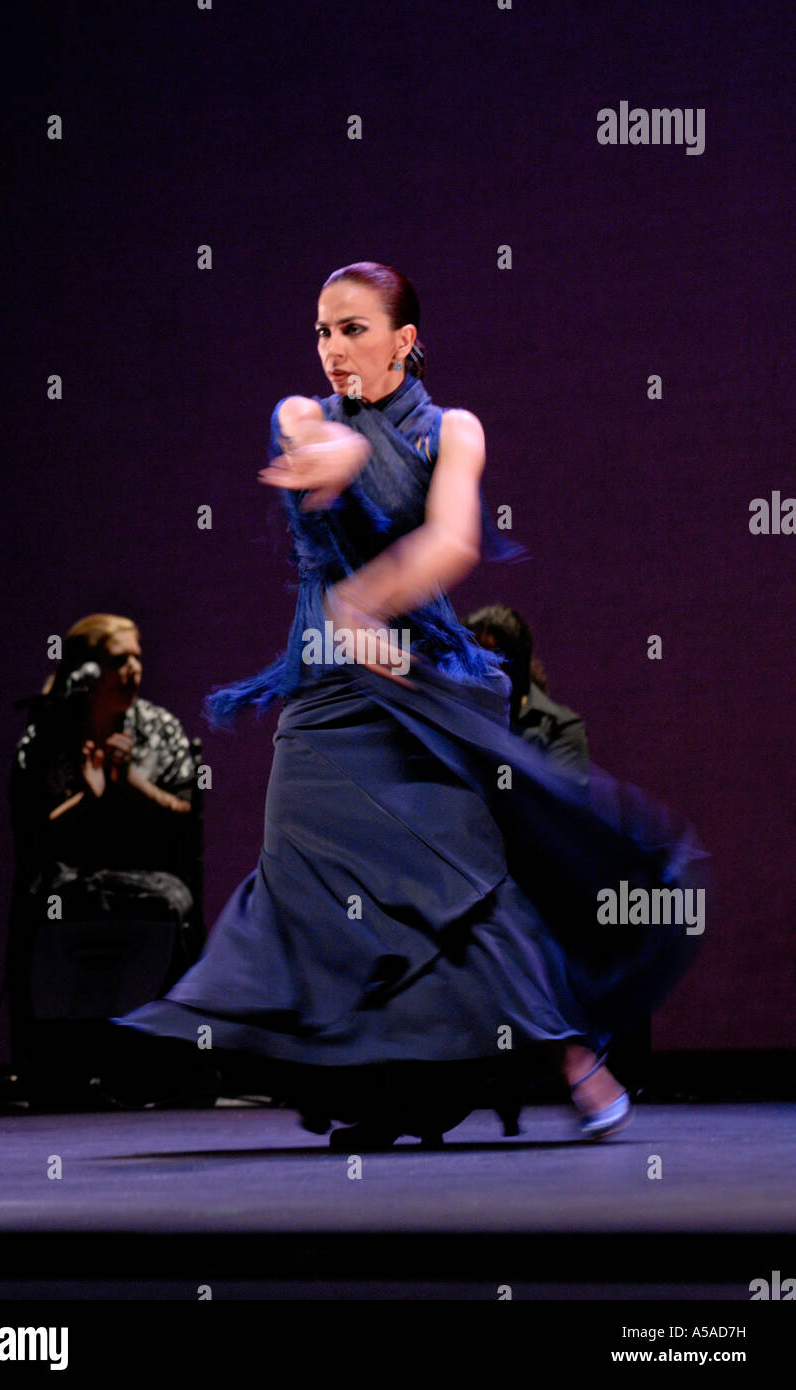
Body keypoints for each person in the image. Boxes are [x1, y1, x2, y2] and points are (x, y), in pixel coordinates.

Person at [109, 262, 709, 1148]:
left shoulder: (451, 431)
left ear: (404, 340)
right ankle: (387, 1094)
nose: (333, 347)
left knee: (453, 884)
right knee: (310, 883)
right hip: (326, 698)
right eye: (321, 330)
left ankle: (568, 1054)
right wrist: (335, 458)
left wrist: (365, 600)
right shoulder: (301, 414)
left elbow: (451, 538)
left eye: (353, 328)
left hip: (416, 682)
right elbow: (322, 446)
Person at [7, 614, 199, 1067]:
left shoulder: (159, 728)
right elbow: (32, 833)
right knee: (40, 901)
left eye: (138, 657)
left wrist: (128, 781)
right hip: (66, 875)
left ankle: (167, 1062)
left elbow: (185, 818)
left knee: (172, 901)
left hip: (146, 871)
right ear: (88, 671)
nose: (134, 669)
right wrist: (88, 800)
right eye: (119, 660)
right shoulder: (46, 737)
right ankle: (53, 1064)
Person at [465, 604, 589, 777]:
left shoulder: (561, 730)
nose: (480, 673)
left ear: (518, 670)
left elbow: (557, 802)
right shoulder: (450, 719)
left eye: (494, 659)